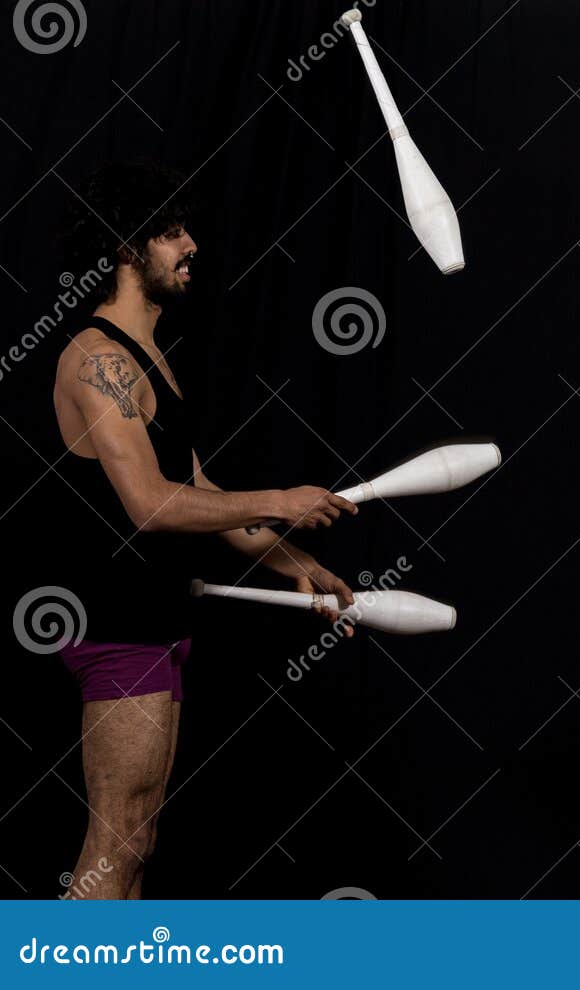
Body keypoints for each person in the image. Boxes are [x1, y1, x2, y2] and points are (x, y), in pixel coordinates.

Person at [50, 161, 358, 898]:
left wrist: (296, 564)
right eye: (172, 233)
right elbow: (152, 505)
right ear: (128, 247)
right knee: (115, 840)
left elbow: (203, 494)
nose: (191, 246)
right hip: (118, 631)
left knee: (138, 839)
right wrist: (281, 497)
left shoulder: (152, 357)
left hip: (155, 628)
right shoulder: (96, 361)